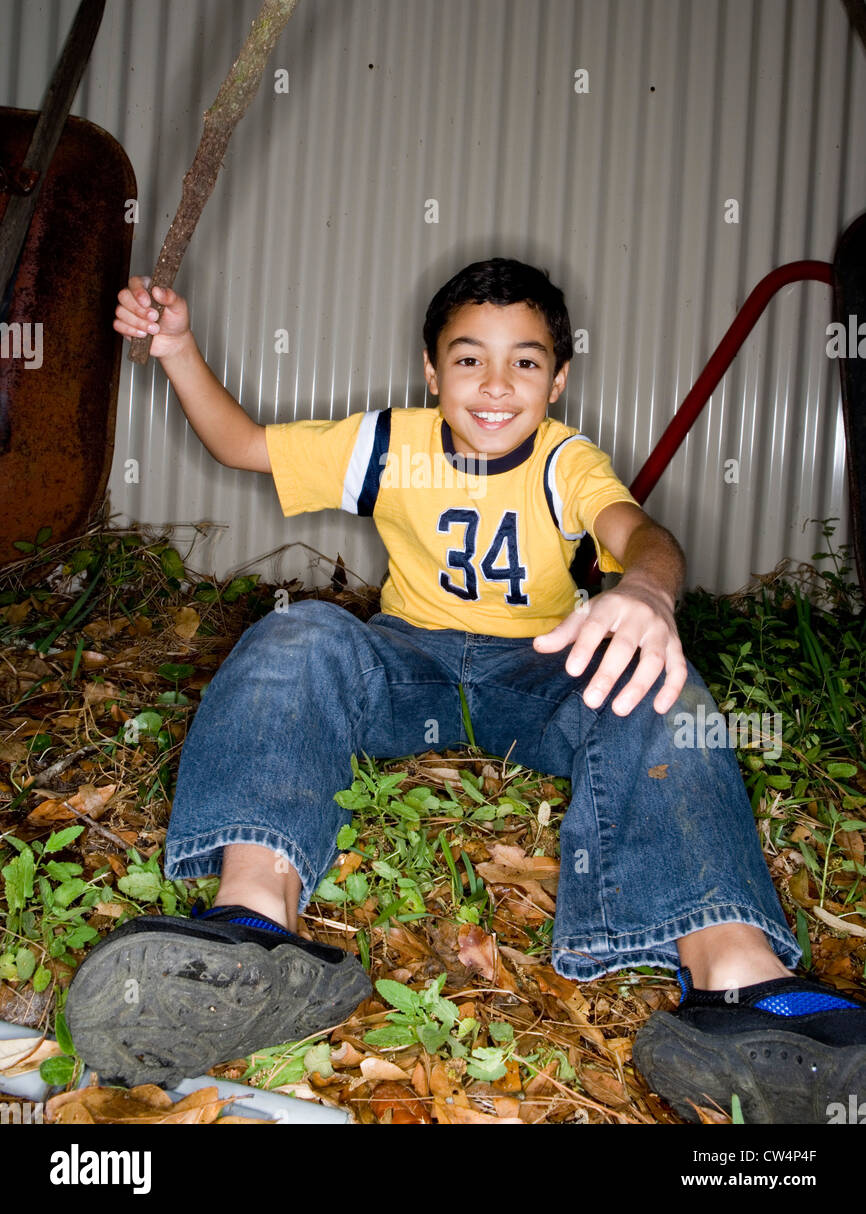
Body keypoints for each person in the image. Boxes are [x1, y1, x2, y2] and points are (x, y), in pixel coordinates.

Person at [66, 258, 865, 1123]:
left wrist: (646, 593)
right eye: (468, 358)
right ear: (430, 370)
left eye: (524, 361)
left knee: (657, 680)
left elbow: (640, 534)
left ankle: (738, 978)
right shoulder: (389, 443)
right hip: (406, 664)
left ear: (558, 378)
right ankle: (255, 920)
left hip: (539, 670)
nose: (494, 385)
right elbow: (244, 444)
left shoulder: (567, 462)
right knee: (296, 633)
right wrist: (178, 348)